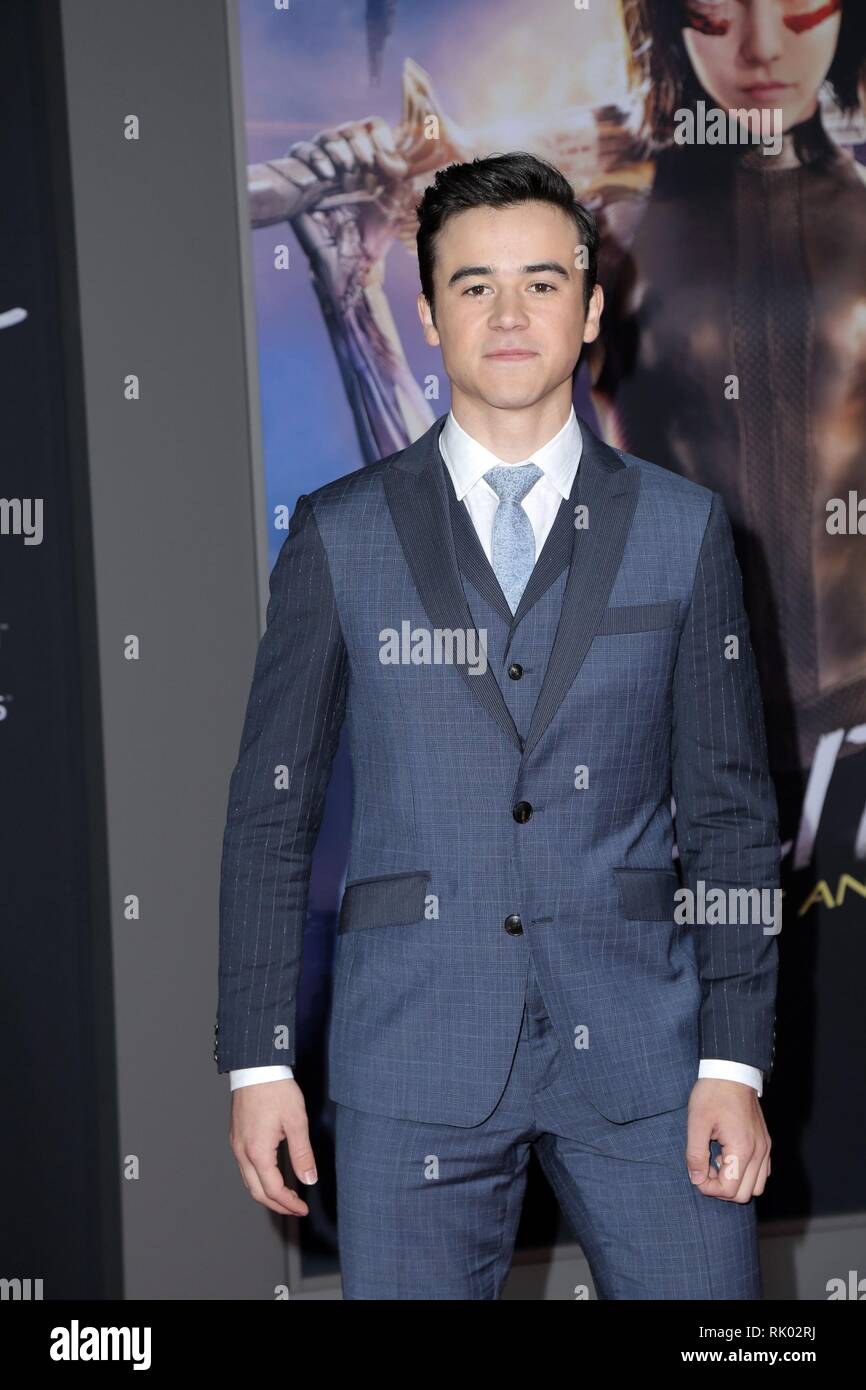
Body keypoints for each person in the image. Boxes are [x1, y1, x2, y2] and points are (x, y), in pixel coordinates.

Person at [216, 152, 779, 1300]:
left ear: (586, 307)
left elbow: (727, 815)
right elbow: (270, 813)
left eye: (538, 281)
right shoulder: (341, 533)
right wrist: (255, 1055)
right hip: (412, 1055)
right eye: (473, 285)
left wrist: (733, 1056)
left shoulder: (682, 531)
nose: (508, 312)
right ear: (425, 313)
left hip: (647, 1060)